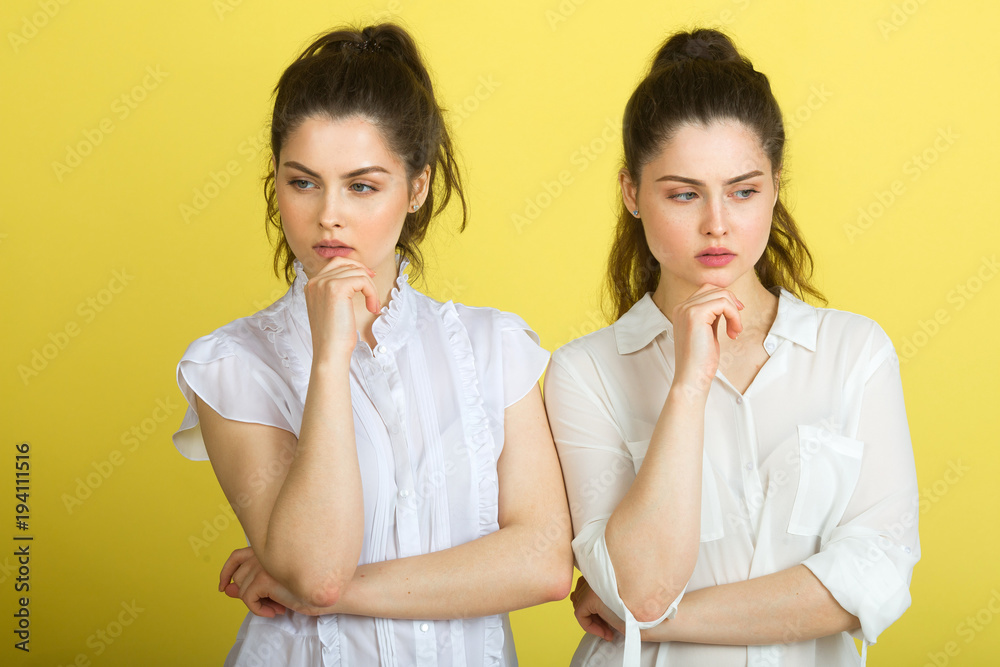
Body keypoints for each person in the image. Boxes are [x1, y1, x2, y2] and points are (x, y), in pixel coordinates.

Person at [171, 23, 572, 666]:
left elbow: (545, 564)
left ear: (416, 189)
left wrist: (327, 592)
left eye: (362, 185)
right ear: (276, 183)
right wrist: (330, 360)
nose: (329, 213)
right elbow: (316, 570)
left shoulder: (496, 348)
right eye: (303, 182)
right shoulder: (232, 365)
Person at [543, 28, 919, 667]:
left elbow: (872, 578)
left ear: (775, 186)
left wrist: (657, 623)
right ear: (632, 192)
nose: (717, 223)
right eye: (683, 193)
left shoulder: (855, 352)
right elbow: (639, 587)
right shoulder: (586, 373)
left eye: (743, 191)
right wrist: (688, 386)